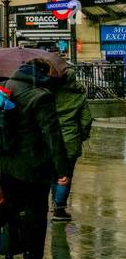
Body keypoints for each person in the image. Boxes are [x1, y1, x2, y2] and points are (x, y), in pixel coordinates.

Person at [0, 59, 71, 259]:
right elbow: (52, 136)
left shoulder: (2, 88)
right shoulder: (41, 96)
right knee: (37, 210)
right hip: (30, 164)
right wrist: (63, 169)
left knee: (11, 203)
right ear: (41, 73)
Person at [50, 68, 93, 220]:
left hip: (51, 140)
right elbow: (86, 119)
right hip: (70, 141)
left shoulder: (50, 93)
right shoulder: (79, 95)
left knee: (54, 173)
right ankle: (59, 208)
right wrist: (81, 135)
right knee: (65, 175)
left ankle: (53, 201)